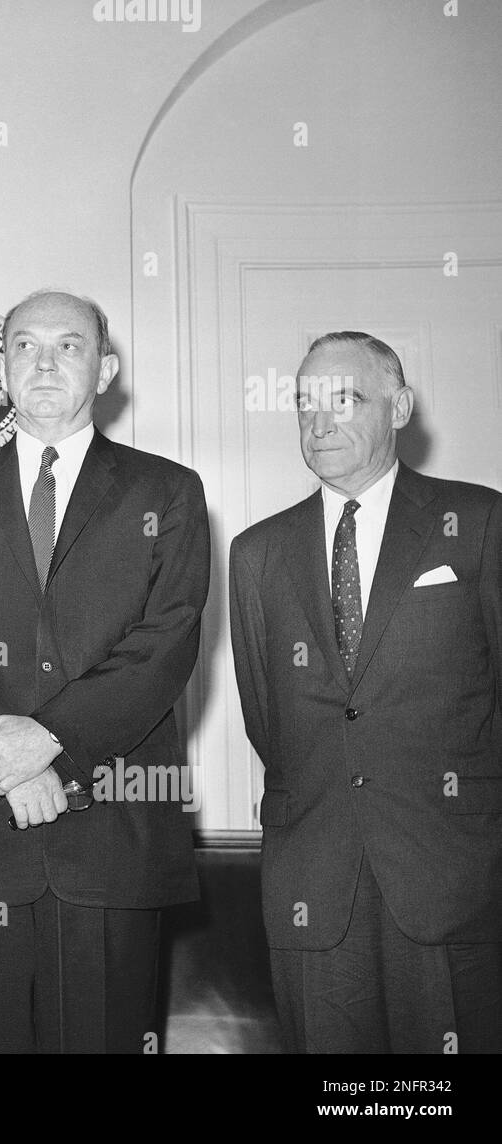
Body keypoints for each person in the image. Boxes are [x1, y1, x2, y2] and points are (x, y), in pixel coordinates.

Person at [0, 290, 210, 1052]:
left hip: (113, 838)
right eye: (26, 347)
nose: (44, 362)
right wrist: (9, 767)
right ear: (1, 370)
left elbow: (163, 646)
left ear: (104, 369)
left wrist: (50, 740)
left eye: (68, 346)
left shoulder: (168, 492)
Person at [229, 331, 502, 1053]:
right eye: (303, 404)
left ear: (400, 406)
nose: (319, 424)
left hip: (453, 877)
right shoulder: (256, 553)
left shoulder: (478, 523)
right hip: (313, 885)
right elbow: (268, 718)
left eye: (343, 399)